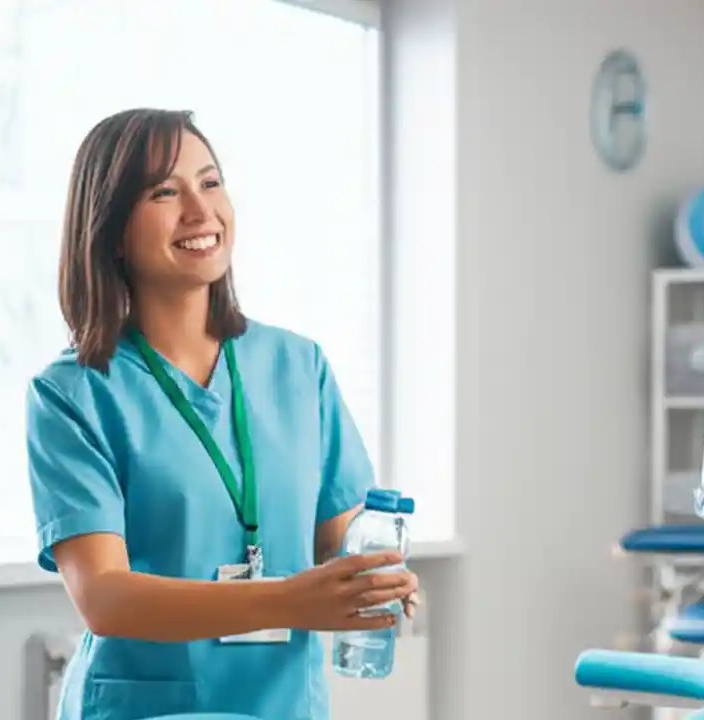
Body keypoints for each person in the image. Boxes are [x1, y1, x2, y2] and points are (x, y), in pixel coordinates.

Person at [25, 108, 418, 720]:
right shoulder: (72, 394)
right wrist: (287, 599)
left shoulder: (298, 366)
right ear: (110, 227)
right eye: (164, 192)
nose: (200, 210)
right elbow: (105, 597)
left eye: (210, 183)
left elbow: (341, 538)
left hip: (284, 706)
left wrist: (375, 578)